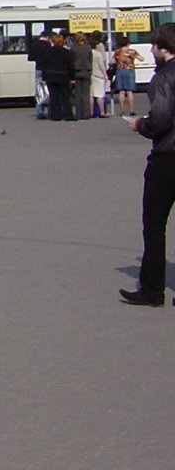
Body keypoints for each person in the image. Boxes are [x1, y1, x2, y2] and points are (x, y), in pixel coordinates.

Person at [120, 22, 175, 307]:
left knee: (154, 225)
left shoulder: (163, 77)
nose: (151, 50)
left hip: (167, 158)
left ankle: (152, 289)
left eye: (154, 46)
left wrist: (142, 124)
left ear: (165, 49)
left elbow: (162, 117)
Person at [35, 31, 75, 122]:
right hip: (64, 76)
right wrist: (72, 78)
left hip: (51, 76)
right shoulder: (67, 53)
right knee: (65, 97)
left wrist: (44, 77)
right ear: (62, 42)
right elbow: (70, 66)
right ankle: (68, 115)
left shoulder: (48, 52)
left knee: (54, 97)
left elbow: (44, 66)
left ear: (52, 41)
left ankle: (56, 116)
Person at [114, 35, 143, 120]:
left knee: (121, 91)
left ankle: (122, 110)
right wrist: (134, 57)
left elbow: (112, 61)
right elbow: (142, 59)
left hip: (120, 71)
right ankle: (131, 110)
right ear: (128, 43)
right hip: (130, 70)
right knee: (130, 91)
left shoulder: (117, 52)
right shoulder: (132, 51)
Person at [71, 33, 94, 123]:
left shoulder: (73, 48)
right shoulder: (88, 48)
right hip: (86, 71)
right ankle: (86, 114)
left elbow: (71, 60)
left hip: (76, 71)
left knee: (77, 94)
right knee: (85, 94)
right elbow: (90, 60)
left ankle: (78, 114)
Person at [88, 32, 110, 119]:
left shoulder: (88, 53)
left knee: (91, 96)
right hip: (98, 76)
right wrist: (105, 76)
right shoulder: (98, 54)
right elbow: (102, 66)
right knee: (99, 95)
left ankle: (91, 112)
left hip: (90, 75)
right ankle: (102, 112)